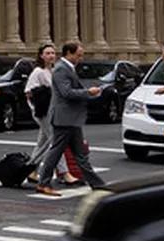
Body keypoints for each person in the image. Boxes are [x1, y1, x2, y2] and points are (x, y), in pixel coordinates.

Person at [33, 40, 108, 196]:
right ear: (69, 53)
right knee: (55, 152)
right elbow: (66, 93)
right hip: (63, 118)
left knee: (80, 154)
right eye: (78, 55)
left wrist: (90, 94)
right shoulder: (61, 69)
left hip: (71, 118)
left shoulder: (68, 68)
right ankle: (43, 183)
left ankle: (97, 184)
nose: (80, 58)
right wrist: (89, 92)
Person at [25, 44, 69, 187]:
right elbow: (29, 92)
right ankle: (64, 172)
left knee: (43, 141)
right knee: (56, 140)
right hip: (42, 112)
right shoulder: (38, 72)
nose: (51, 55)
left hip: (53, 111)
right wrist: (38, 104)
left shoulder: (54, 71)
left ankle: (32, 170)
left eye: (53, 53)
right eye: (47, 53)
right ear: (41, 56)